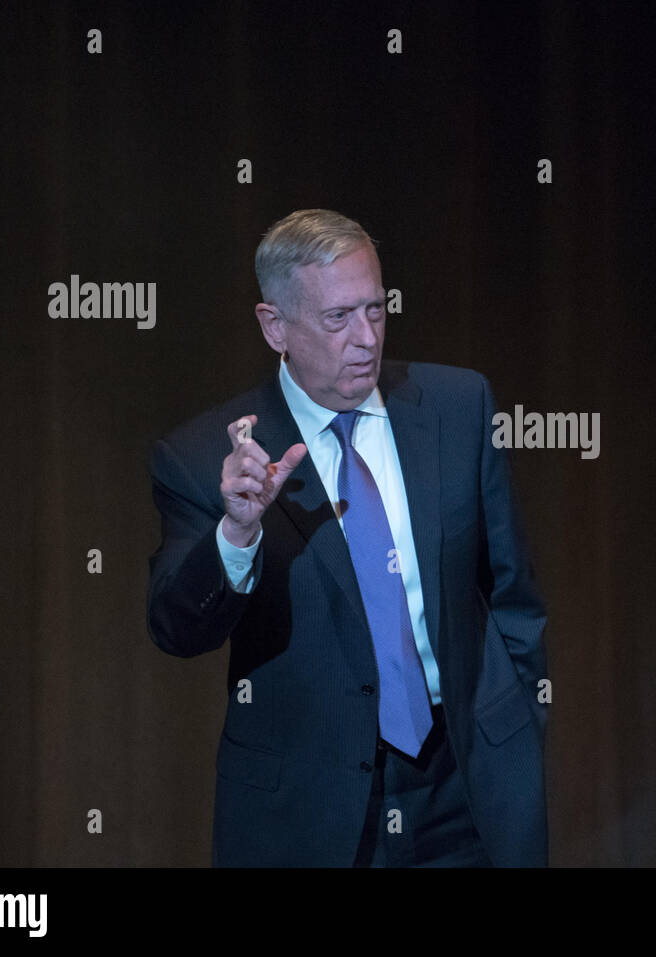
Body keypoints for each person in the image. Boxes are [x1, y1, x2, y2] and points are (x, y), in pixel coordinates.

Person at [146, 208, 548, 866]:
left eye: (377, 310)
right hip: (308, 808)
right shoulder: (205, 456)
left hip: (463, 787)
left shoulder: (457, 405)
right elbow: (176, 628)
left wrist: (518, 728)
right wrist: (236, 531)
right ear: (275, 325)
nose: (367, 337)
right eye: (338, 318)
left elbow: (511, 590)